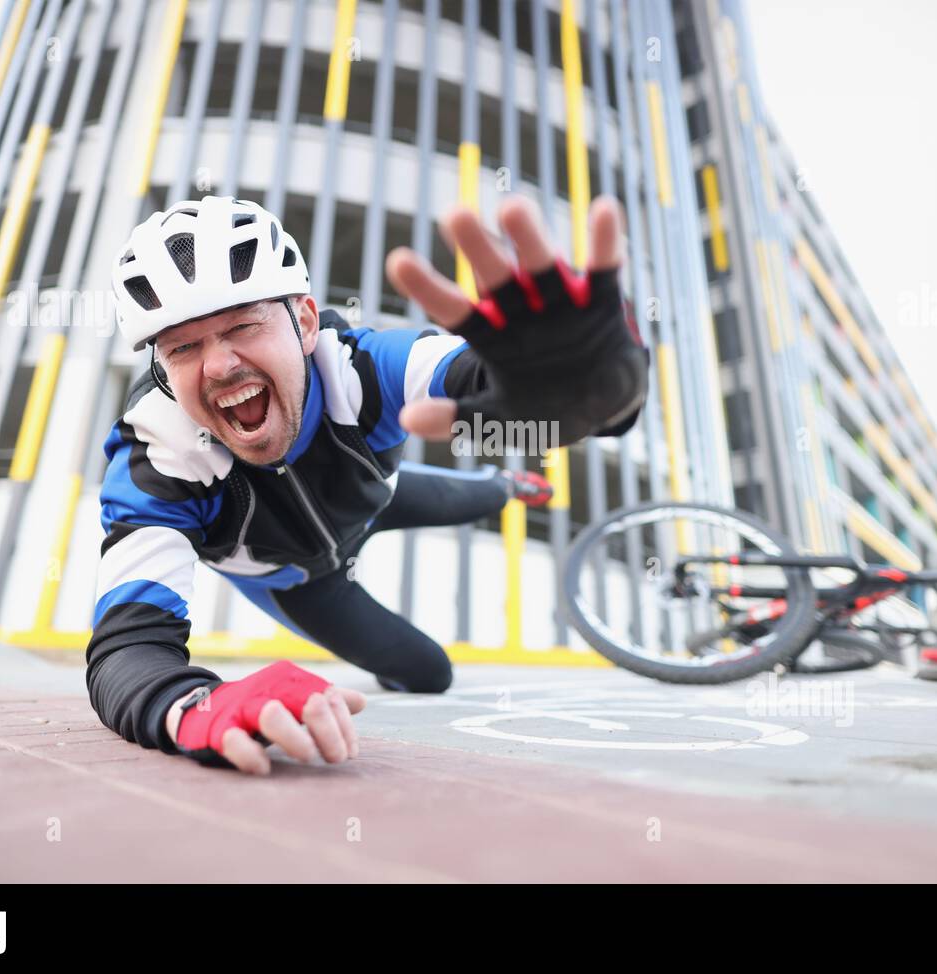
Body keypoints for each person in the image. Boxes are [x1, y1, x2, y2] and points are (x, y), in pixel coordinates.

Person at [88, 192, 648, 774]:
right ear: (161, 366)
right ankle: (490, 488)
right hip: (301, 579)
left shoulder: (360, 366)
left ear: (306, 322)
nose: (220, 366)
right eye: (183, 347)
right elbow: (127, 648)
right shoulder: (159, 454)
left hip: (378, 497)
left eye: (244, 325)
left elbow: (478, 375)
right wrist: (195, 705)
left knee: (477, 496)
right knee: (429, 673)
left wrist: (593, 391)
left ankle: (507, 485)